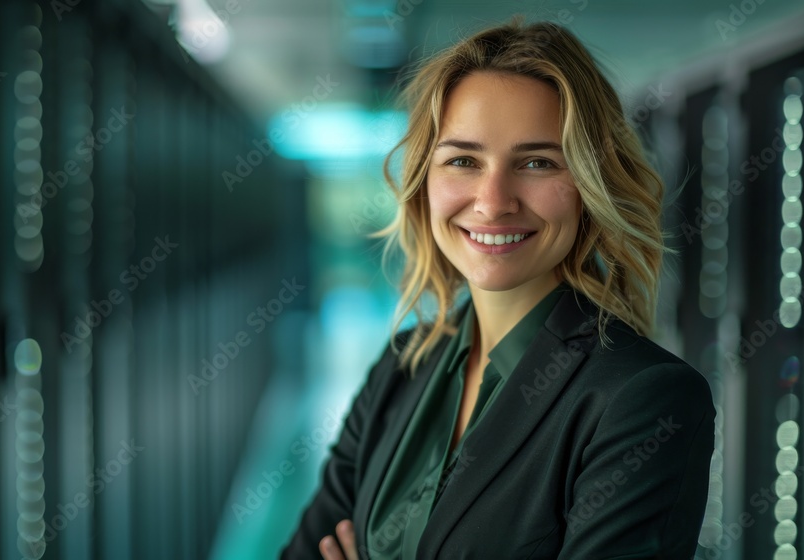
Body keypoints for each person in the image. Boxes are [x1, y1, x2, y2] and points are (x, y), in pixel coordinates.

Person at [281, 17, 715, 559]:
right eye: (463, 160)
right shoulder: (402, 366)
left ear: (590, 185)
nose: (493, 201)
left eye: (537, 162)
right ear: (424, 181)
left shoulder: (643, 399)